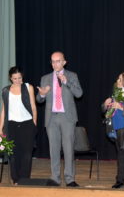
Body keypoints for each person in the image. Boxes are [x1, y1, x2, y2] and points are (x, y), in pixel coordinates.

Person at [36, 51, 83, 187]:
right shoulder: (45, 78)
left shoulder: (72, 76)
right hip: (51, 118)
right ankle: (55, 178)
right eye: (53, 61)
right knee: (54, 149)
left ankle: (70, 178)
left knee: (68, 149)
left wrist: (66, 82)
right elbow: (39, 99)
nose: (55, 64)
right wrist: (42, 95)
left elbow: (79, 93)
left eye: (58, 61)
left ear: (64, 62)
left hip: (67, 117)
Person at [0, 66, 37, 184]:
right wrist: (0, 127)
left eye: (19, 78)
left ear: (22, 76)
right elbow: (4, 110)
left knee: (27, 153)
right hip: (11, 125)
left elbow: (33, 107)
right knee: (13, 154)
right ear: (10, 78)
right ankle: (15, 179)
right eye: (15, 78)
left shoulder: (28, 87)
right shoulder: (6, 91)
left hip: (27, 124)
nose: (18, 81)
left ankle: (24, 179)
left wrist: (34, 123)